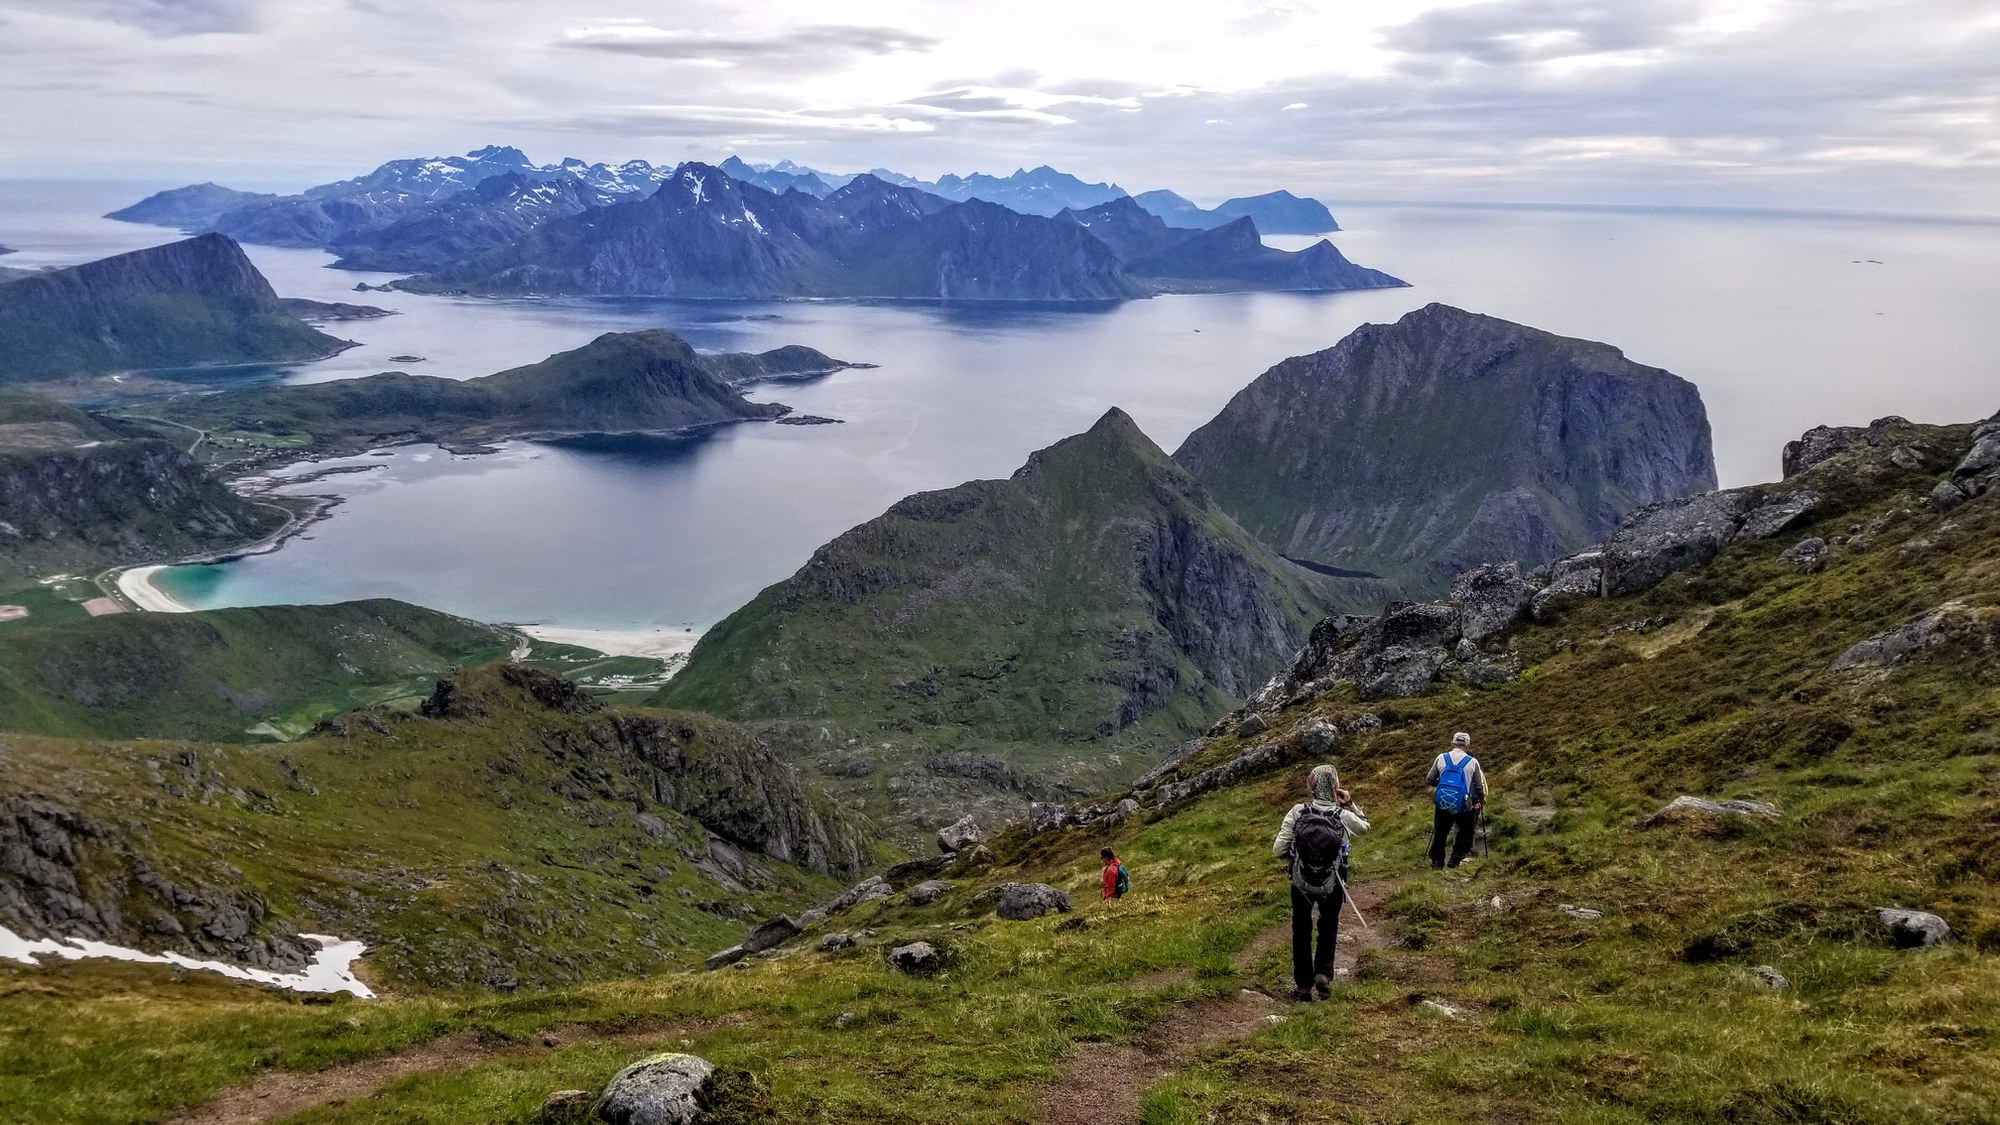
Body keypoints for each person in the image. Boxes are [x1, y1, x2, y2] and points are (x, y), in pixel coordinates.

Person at [1272, 764, 1369, 1001]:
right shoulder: (1342, 816)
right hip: (1332, 881)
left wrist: (1295, 860)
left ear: (1312, 787)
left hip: (1300, 882)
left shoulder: (1298, 812)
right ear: (1335, 787)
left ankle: (1303, 986)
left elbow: (1278, 850)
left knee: (1301, 929)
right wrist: (1350, 804)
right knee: (1328, 925)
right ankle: (1323, 973)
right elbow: (1364, 828)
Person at [1427, 732, 1488, 869]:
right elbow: (1479, 786)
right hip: (1464, 804)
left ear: (1452, 744)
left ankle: (1437, 863)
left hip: (1443, 802)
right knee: (1465, 832)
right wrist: (1481, 799)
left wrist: (1444, 786)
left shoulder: (1441, 758)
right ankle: (1455, 859)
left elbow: (1429, 779)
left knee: (1440, 833)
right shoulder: (1472, 762)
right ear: (1468, 746)